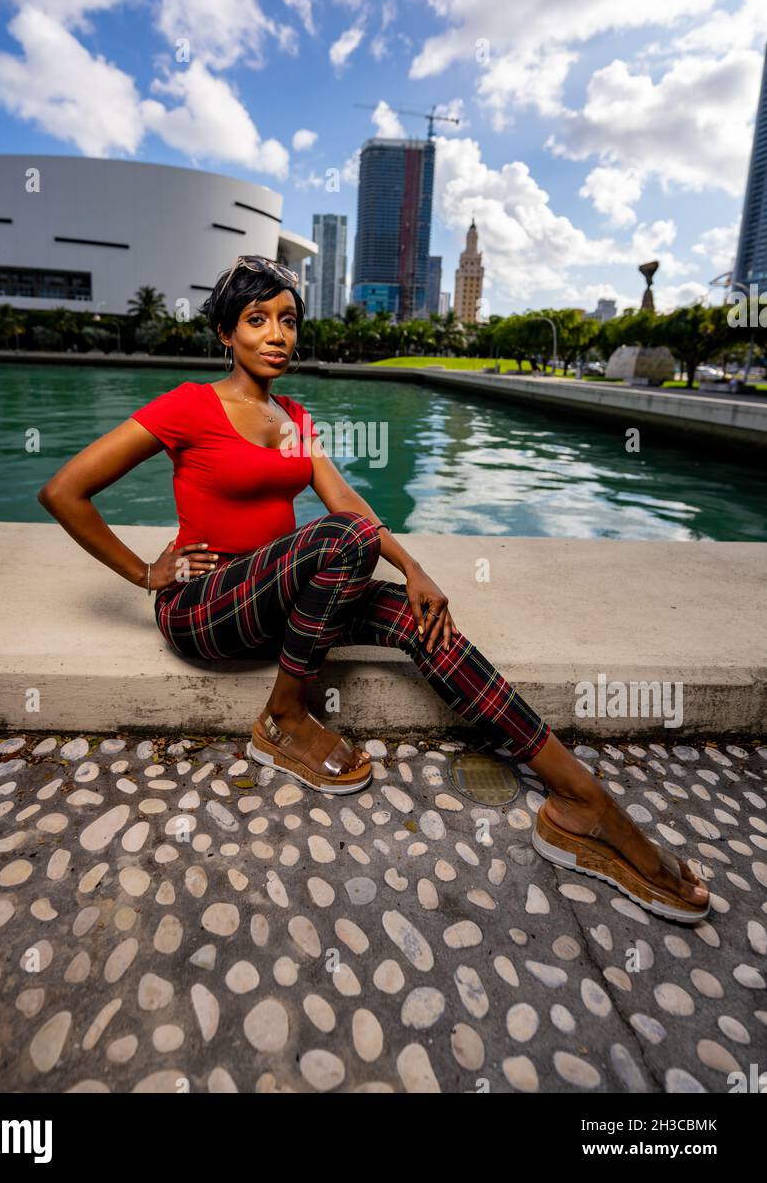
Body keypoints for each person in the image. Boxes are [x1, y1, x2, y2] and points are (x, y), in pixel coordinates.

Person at [37, 255, 710, 925]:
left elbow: (345, 500)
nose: (277, 334)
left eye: (288, 320)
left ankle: (578, 798)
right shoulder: (189, 405)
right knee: (344, 541)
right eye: (257, 319)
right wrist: (144, 573)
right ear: (224, 334)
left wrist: (414, 568)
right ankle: (285, 719)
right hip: (204, 607)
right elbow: (64, 490)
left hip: (281, 595)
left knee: (422, 621)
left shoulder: (295, 417)